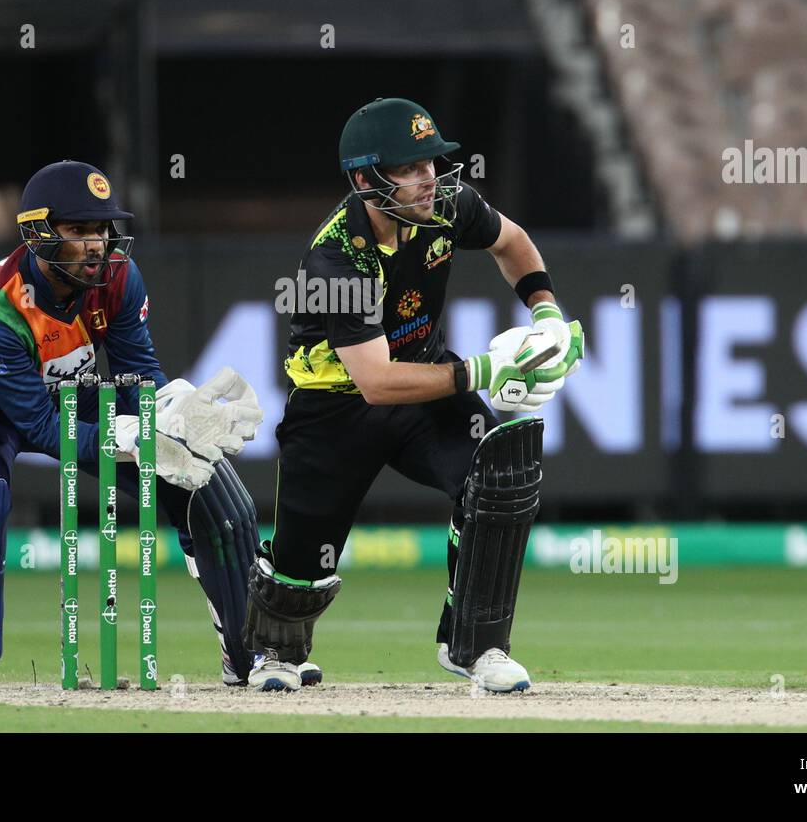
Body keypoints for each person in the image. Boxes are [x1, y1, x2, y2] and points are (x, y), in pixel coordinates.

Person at [242, 98, 584, 693]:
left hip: (424, 383)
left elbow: (513, 242)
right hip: (334, 408)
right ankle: (275, 652)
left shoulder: (446, 204)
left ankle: (476, 645)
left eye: (431, 161)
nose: (429, 177)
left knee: (498, 472)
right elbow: (375, 382)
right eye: (410, 167)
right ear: (364, 180)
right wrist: (482, 371)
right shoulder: (334, 260)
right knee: (301, 570)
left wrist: (547, 312)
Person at [0, 160, 264, 688]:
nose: (97, 244)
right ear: (38, 234)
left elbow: (137, 376)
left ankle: (250, 648)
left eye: (102, 229)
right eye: (79, 230)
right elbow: (38, 428)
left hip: (70, 390)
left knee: (197, 479)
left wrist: (169, 412)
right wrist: (122, 436)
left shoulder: (120, 279)